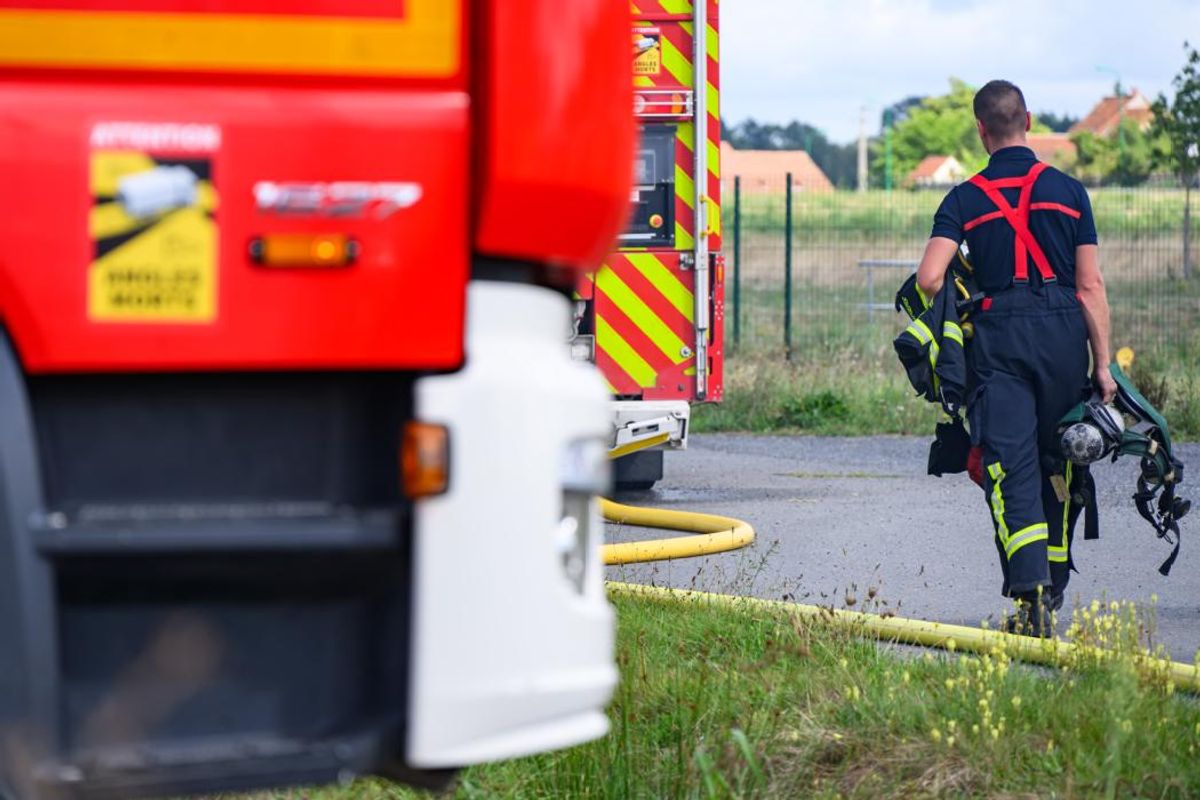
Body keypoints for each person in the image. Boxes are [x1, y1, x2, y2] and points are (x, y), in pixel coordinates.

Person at [914, 79, 1115, 635]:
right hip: (1061, 339)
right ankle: (1055, 580)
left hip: (999, 340)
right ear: (1027, 119)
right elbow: (1091, 286)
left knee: (1013, 468)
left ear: (981, 129)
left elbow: (930, 280)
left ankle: (1032, 601)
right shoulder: (1070, 192)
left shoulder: (963, 198)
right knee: (1060, 462)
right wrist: (1102, 367)